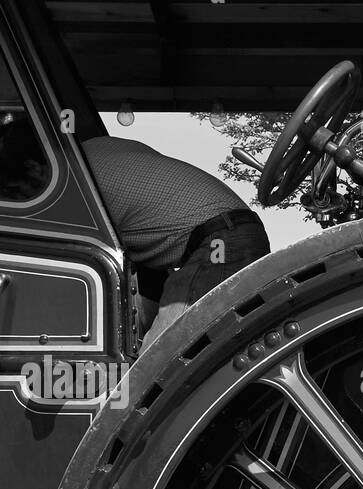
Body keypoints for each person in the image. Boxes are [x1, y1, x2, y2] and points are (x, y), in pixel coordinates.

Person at [0, 116, 269, 337]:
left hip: (219, 244)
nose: (24, 199)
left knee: (164, 357)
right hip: (232, 233)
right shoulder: (102, 146)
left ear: (34, 168)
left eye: (18, 191)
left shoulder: (75, 190)